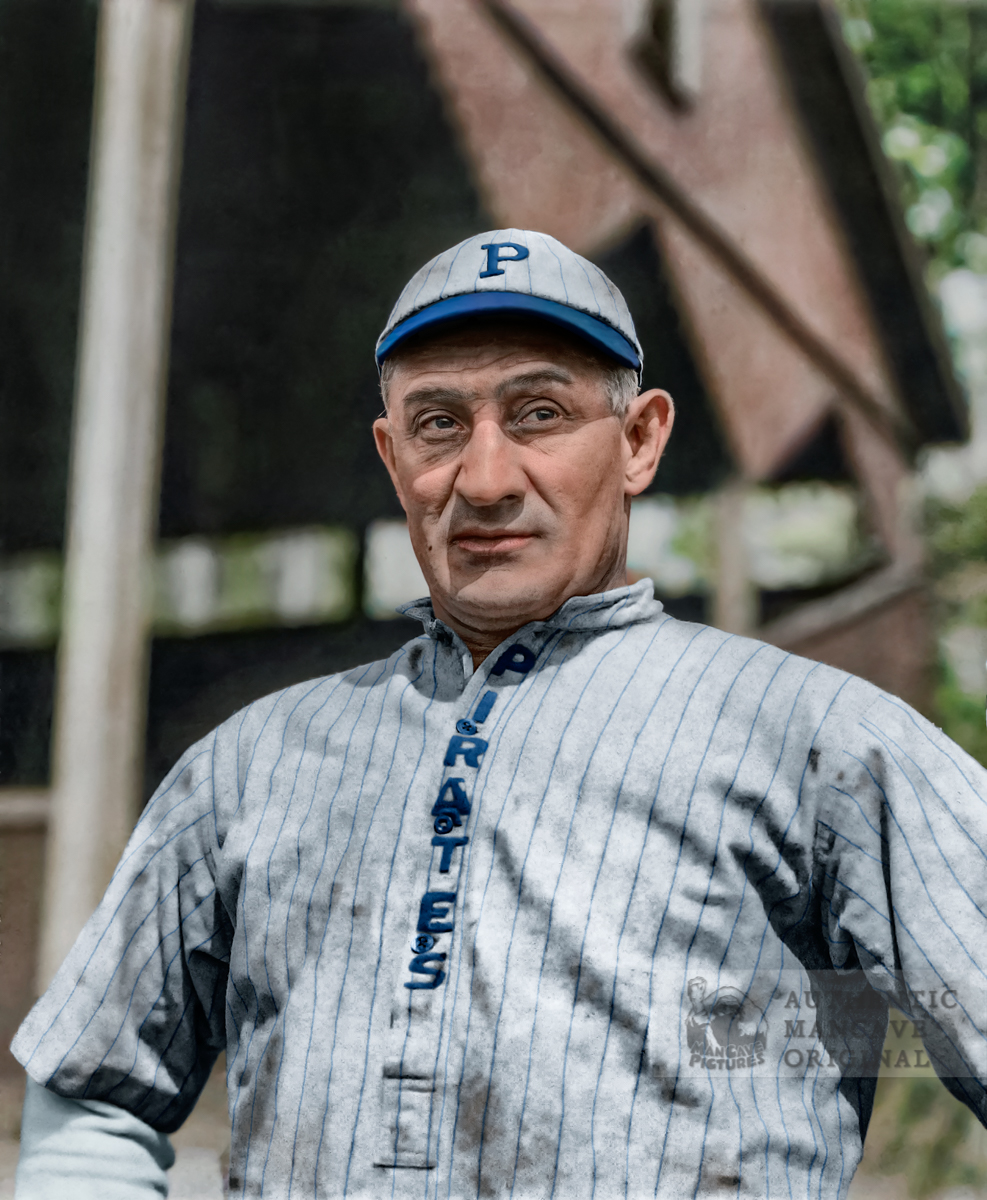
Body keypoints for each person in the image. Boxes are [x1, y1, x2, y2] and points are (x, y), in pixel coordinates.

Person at [12, 229, 987, 1199]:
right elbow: (96, 1098)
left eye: (539, 413)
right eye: (439, 424)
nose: (484, 480)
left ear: (641, 439)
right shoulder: (248, 767)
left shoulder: (815, 739)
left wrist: (762, 1039)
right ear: (393, 459)